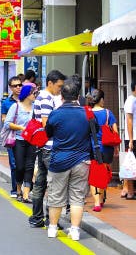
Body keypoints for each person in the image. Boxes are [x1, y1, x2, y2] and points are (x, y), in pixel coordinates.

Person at [44, 76, 91, 241]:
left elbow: (47, 134)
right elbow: (94, 133)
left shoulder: (55, 114)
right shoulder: (87, 114)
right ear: (78, 96)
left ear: (61, 96)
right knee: (77, 197)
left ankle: (52, 228)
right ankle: (75, 230)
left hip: (59, 160)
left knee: (56, 195)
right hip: (82, 160)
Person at [28, 70, 66, 229]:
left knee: (41, 183)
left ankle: (37, 218)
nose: (60, 89)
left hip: (42, 147)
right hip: (49, 148)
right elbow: (46, 123)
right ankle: (52, 220)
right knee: (54, 185)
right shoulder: (46, 98)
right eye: (59, 86)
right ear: (50, 83)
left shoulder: (43, 97)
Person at [4, 83, 37, 203]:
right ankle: (18, 190)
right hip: (19, 140)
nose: (35, 95)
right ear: (27, 94)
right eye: (34, 93)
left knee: (30, 167)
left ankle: (26, 195)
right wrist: (22, 128)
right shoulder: (16, 107)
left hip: (32, 140)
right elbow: (7, 123)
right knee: (20, 167)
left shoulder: (35, 107)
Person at [87, 89, 117, 212]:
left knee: (94, 174)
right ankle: (101, 197)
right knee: (103, 172)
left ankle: (96, 202)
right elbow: (115, 131)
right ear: (101, 100)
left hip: (92, 147)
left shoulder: (87, 114)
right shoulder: (108, 113)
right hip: (106, 148)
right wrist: (116, 148)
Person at [1, 76, 23, 198]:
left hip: (26, 137)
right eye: (15, 86)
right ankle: (15, 189)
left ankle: (24, 188)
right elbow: (4, 118)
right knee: (14, 163)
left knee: (25, 164)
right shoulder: (6, 102)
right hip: (13, 137)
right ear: (10, 88)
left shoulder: (27, 100)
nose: (18, 87)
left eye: (20, 85)